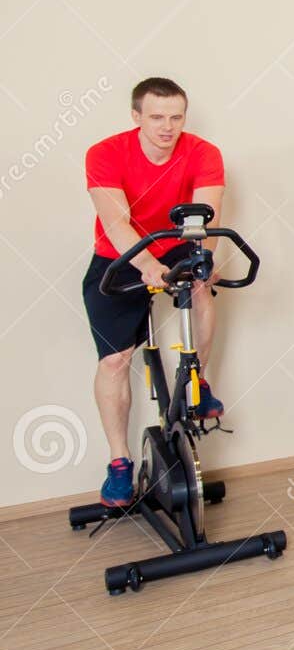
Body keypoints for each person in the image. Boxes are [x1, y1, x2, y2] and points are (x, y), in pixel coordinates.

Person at [84, 78, 226, 507]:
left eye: (176, 117)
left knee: (201, 285)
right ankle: (119, 463)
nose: (168, 127)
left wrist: (202, 259)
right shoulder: (105, 153)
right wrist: (148, 267)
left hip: (175, 242)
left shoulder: (203, 152)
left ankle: (196, 383)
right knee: (114, 361)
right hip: (120, 253)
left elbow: (206, 218)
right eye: (157, 117)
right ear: (137, 117)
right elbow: (116, 222)